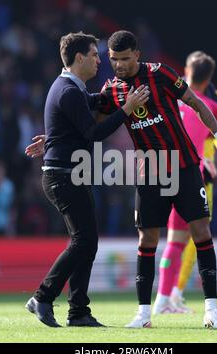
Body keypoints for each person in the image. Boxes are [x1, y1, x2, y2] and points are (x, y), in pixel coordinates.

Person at [26, 30, 217, 329]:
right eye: (113, 60)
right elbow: (88, 125)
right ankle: (144, 314)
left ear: (137, 54)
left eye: (124, 59)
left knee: (201, 232)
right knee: (147, 239)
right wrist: (53, 139)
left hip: (184, 165)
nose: (118, 65)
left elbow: (197, 103)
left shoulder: (161, 74)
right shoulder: (112, 90)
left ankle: (212, 310)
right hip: (150, 171)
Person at [25, 31, 149, 328]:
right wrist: (126, 110)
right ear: (79, 58)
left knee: (87, 242)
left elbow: (87, 104)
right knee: (83, 241)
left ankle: (78, 311)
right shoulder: (68, 91)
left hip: (71, 174)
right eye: (94, 54)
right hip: (63, 176)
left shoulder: (70, 87)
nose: (99, 60)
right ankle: (42, 297)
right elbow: (93, 134)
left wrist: (55, 137)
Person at [153, 51, 217, 315]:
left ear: (186, 70)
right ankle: (187, 300)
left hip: (164, 174)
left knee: (172, 241)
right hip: (192, 177)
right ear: (209, 79)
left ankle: (162, 300)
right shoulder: (211, 106)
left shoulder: (167, 98)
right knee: (200, 240)